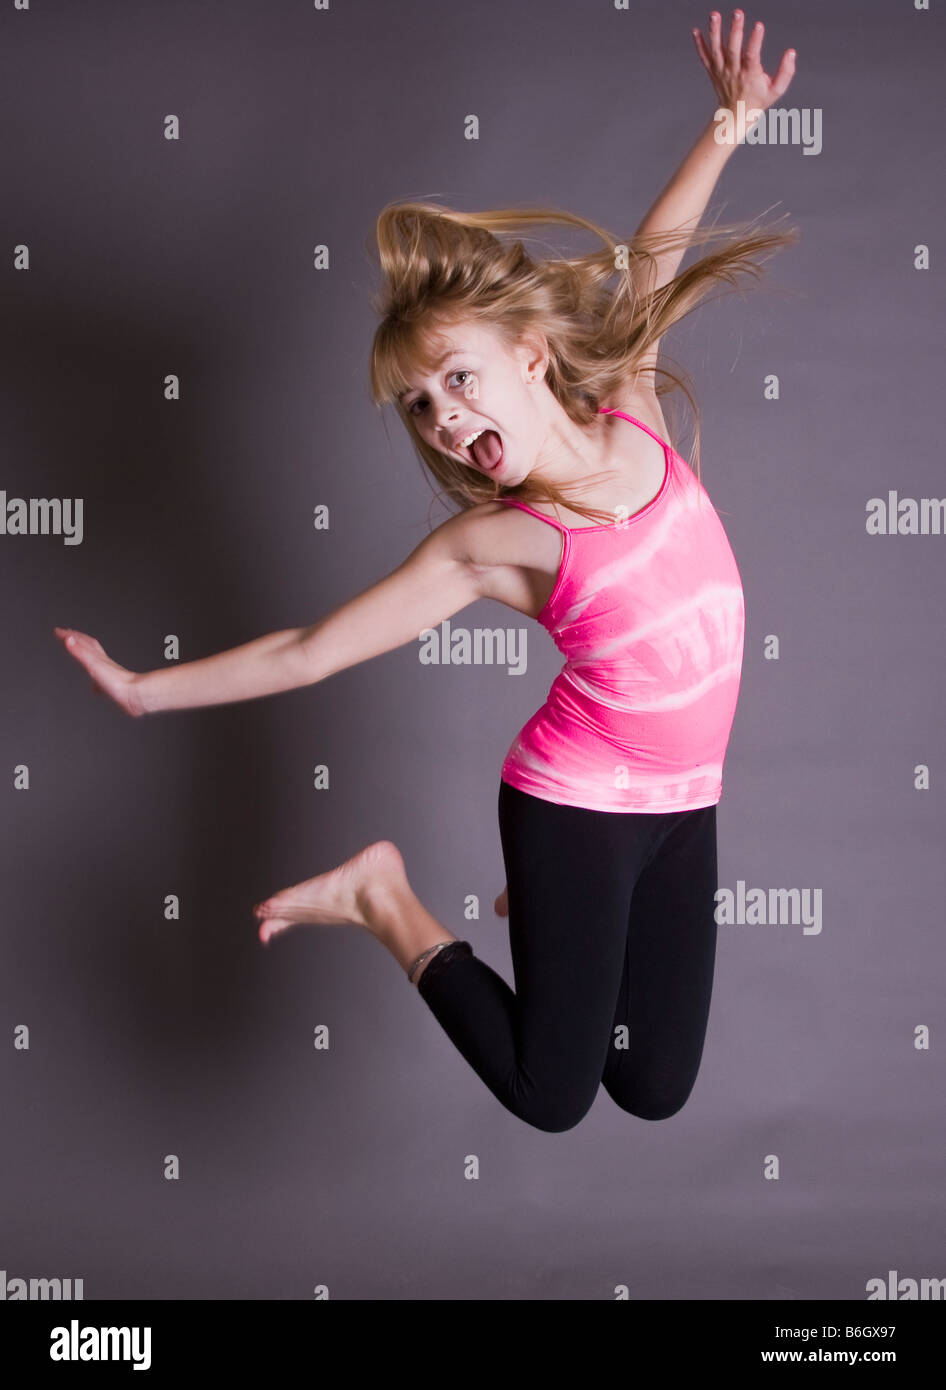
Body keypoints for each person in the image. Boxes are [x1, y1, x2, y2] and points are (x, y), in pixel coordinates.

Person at [55, 11, 797, 1132]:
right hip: (575, 802)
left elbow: (654, 251)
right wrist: (144, 688)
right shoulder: (497, 543)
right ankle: (380, 893)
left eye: (456, 379)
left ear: (529, 355)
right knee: (554, 1096)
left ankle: (553, 914)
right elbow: (310, 650)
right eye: (420, 406)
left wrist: (729, 124)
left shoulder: (632, 410)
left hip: (687, 802)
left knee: (650, 1084)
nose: (444, 419)